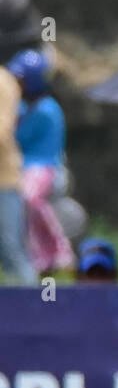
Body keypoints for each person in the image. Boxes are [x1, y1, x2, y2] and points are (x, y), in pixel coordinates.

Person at [8, 48, 74, 274]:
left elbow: (16, 136)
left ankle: (58, 248)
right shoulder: (23, 107)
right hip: (24, 166)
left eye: (21, 79)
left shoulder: (47, 110)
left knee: (29, 197)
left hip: (44, 166)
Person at [0, 64, 35, 284]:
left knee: (10, 249)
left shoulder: (3, 82)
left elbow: (2, 130)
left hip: (3, 181)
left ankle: (37, 311)